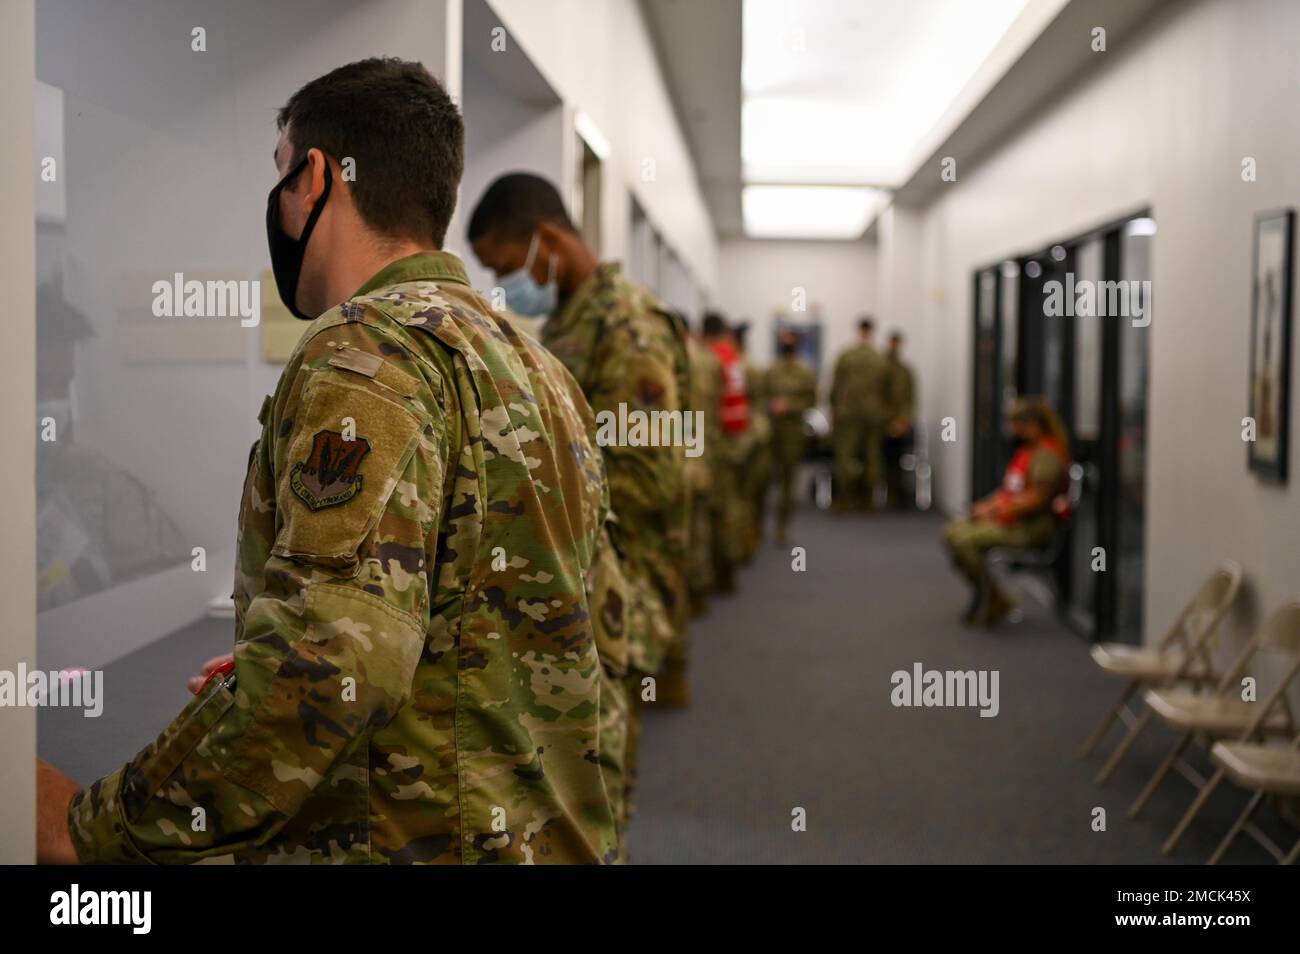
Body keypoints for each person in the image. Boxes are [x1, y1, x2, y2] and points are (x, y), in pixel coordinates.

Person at [37, 57, 621, 865]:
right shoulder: (539, 368)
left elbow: (335, 658)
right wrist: (276, 669)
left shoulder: (366, 352)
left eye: (280, 175)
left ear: (316, 178)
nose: (276, 203)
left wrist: (92, 829)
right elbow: (551, 631)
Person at [467, 172, 691, 818]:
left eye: (506, 267)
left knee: (595, 800)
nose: (508, 286)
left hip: (617, 592)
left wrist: (525, 496)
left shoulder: (627, 328)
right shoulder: (569, 323)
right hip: (574, 583)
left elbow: (650, 481)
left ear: (547, 241)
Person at [942, 397, 1072, 626]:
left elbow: (1035, 500)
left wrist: (993, 512)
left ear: (1032, 425)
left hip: (1031, 528)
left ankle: (992, 597)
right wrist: (985, 506)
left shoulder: (1047, 456)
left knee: (963, 541)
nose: (1013, 431)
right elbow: (1009, 490)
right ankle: (992, 595)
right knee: (952, 532)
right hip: (1011, 521)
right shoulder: (1026, 452)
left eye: (1018, 425)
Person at [701, 311, 750, 592]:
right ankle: (730, 565)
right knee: (731, 505)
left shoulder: (710, 359)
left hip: (714, 444)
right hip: (734, 440)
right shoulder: (733, 358)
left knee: (715, 512)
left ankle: (715, 575)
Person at [830, 317, 889, 512]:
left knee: (845, 457)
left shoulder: (847, 355)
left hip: (849, 413)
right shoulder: (880, 358)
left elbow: (836, 385)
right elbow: (887, 390)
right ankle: (869, 503)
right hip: (873, 414)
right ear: (871, 332)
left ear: (858, 331)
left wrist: (834, 409)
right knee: (873, 458)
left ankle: (844, 501)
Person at [764, 329, 817, 544]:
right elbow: (760, 395)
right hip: (770, 431)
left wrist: (789, 406)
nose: (786, 344)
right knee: (762, 479)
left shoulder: (805, 372)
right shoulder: (771, 370)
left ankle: (782, 527)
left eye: (790, 341)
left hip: (793, 433)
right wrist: (770, 406)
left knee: (788, 482)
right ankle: (756, 527)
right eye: (783, 340)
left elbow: (811, 401)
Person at [883, 330, 916, 509]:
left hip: (899, 423)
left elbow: (910, 399)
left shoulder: (905, 371)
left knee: (897, 461)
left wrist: (904, 420)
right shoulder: (878, 368)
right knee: (878, 460)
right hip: (880, 423)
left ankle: (895, 496)